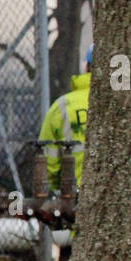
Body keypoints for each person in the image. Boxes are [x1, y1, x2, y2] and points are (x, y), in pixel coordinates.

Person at [39, 43, 92, 191]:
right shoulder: (128, 104)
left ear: (87, 68)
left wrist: (55, 190)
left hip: (75, 195)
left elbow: (48, 161)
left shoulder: (63, 105)